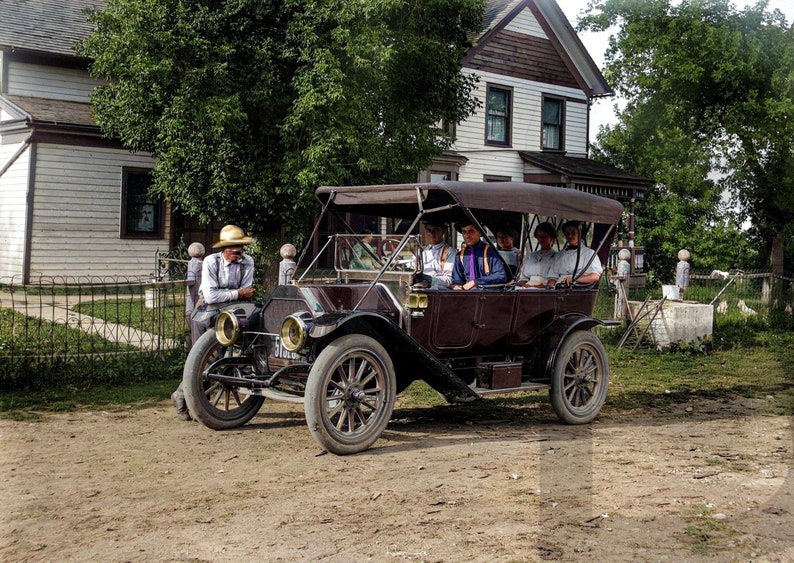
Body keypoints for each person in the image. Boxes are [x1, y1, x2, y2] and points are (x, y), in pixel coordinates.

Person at [172, 225, 256, 421]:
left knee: (220, 360)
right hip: (205, 314)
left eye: (240, 248)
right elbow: (210, 296)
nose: (238, 253)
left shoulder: (247, 262)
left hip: (229, 315)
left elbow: (248, 291)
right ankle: (186, 398)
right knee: (200, 359)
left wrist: (236, 295)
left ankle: (191, 401)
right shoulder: (210, 261)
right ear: (224, 249)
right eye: (234, 249)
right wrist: (237, 293)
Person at [451, 222, 507, 289]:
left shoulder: (490, 252)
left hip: (487, 294)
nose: (467, 236)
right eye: (464, 232)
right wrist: (456, 286)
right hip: (467, 295)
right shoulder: (460, 256)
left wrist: (475, 282)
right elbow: (457, 280)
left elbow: (501, 276)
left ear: (479, 232)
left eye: (471, 231)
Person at [546, 221, 602, 287]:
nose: (570, 236)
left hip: (578, 289)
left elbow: (595, 277)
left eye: (573, 233)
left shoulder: (589, 253)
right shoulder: (559, 255)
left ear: (580, 234)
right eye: (567, 233)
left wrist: (573, 279)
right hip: (558, 289)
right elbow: (552, 277)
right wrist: (549, 288)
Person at [518, 222, 557, 288]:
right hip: (526, 287)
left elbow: (553, 279)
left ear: (551, 237)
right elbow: (522, 276)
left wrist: (542, 286)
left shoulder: (556, 257)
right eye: (539, 236)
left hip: (546, 288)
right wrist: (523, 284)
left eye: (545, 236)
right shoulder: (530, 256)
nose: (541, 238)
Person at [418, 221, 454, 287]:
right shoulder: (422, 251)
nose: (432, 233)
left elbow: (450, 280)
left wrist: (430, 280)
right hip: (420, 288)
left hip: (438, 292)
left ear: (443, 232)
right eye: (429, 230)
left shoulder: (450, 251)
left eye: (435, 230)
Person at [184, 242, 205, 347]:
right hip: (195, 302)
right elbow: (191, 280)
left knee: (195, 321)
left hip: (197, 303)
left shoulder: (195, 264)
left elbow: (191, 280)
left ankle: (197, 349)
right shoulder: (200, 263)